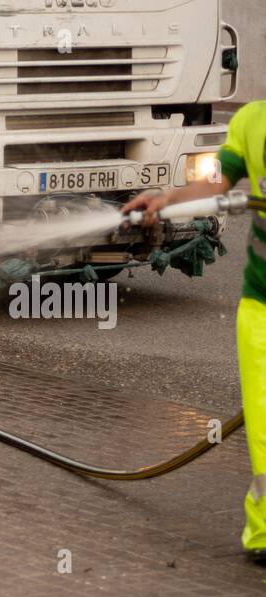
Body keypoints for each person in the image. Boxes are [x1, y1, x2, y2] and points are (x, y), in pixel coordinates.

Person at [123, 101, 266, 565]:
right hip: (260, 306)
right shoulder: (252, 121)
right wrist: (166, 200)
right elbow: (215, 181)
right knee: (264, 431)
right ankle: (263, 534)